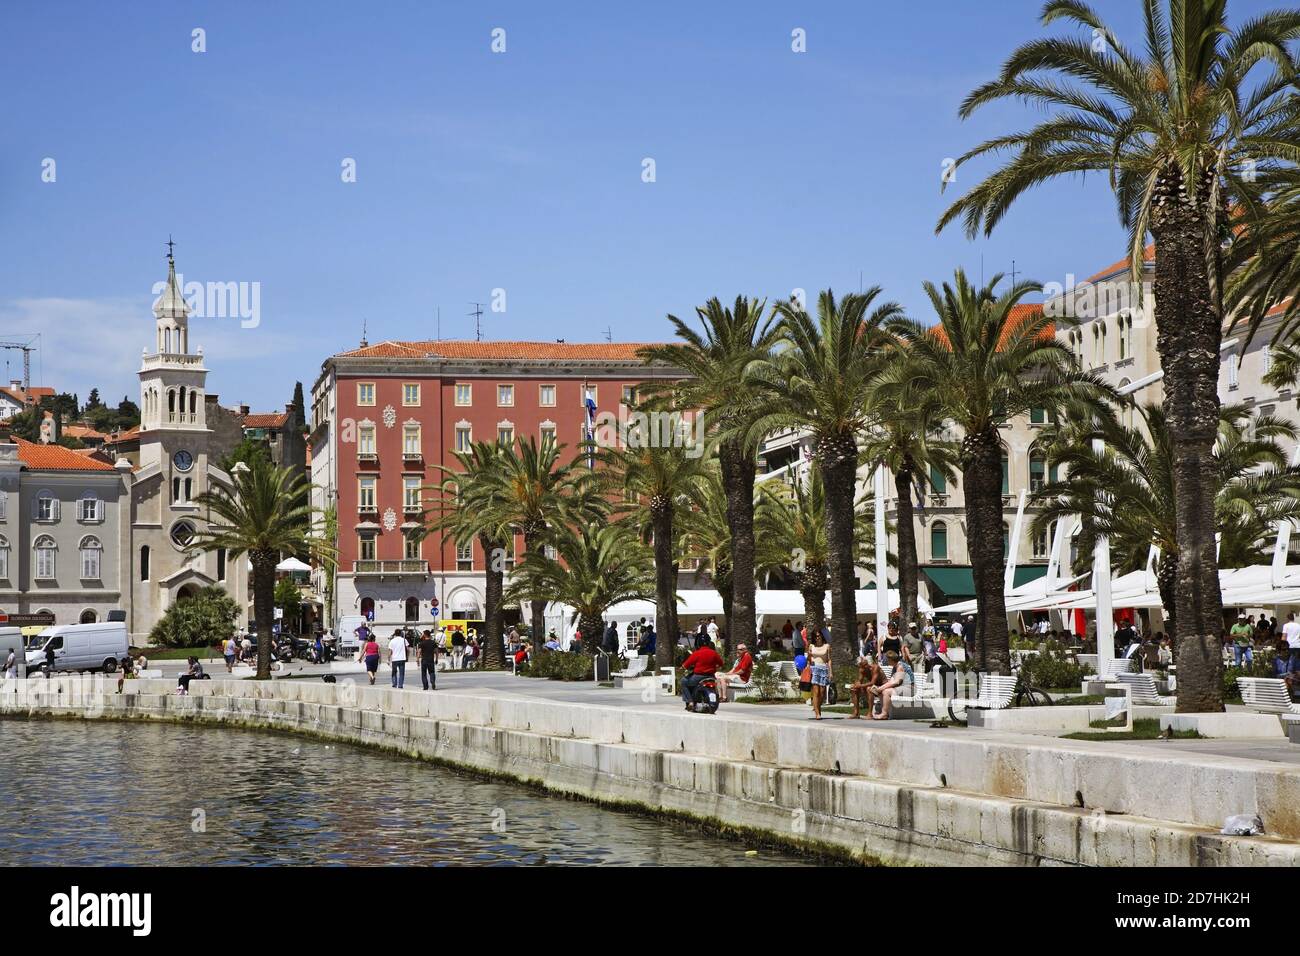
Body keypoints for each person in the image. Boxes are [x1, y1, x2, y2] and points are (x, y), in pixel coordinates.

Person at [680, 639, 724, 710]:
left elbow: (686, 665)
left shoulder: (697, 653)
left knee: (683, 681)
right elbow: (721, 663)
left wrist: (681, 667)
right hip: (711, 676)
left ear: (698, 645)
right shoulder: (714, 653)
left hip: (698, 677)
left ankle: (690, 701)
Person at [868, 651, 913, 720]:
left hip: (910, 689)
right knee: (881, 691)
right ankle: (885, 712)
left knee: (886, 691)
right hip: (902, 688)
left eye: (887, 659)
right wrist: (879, 688)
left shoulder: (900, 666)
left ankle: (884, 713)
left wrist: (881, 688)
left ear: (891, 660)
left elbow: (896, 682)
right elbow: (891, 681)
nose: (886, 661)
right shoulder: (895, 667)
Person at [806, 630, 832, 720]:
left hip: (824, 669)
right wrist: (809, 656)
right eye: (816, 636)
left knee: (822, 693)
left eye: (819, 635)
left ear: (822, 636)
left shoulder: (827, 646)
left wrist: (830, 672)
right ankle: (817, 713)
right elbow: (808, 660)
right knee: (816, 692)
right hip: (814, 669)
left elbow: (829, 660)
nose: (818, 637)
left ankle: (818, 708)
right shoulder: (811, 646)